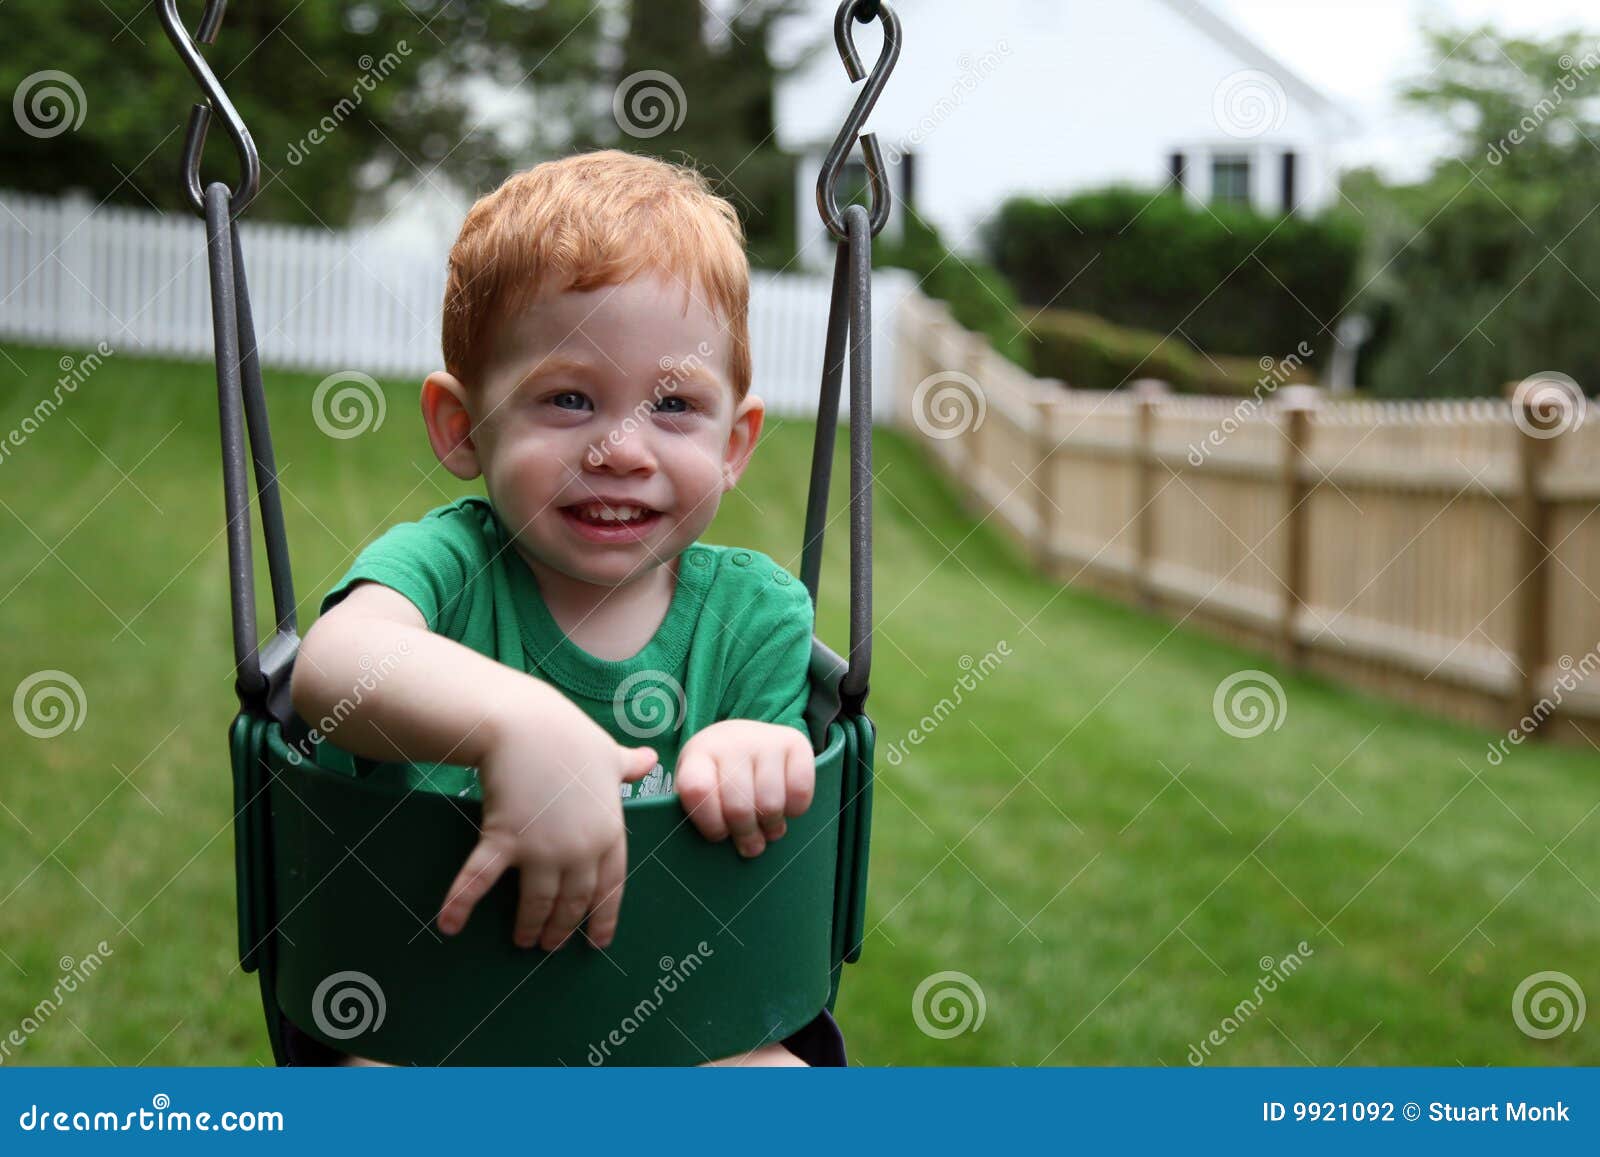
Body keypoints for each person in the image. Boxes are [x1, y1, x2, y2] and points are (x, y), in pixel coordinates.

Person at [287, 150, 844, 1068]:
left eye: (673, 404)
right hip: (434, 1015)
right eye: (569, 398)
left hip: (668, 1029)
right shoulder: (447, 564)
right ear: (462, 427)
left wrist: (757, 755)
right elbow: (335, 665)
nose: (622, 448)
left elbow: (768, 788)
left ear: (736, 439)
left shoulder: (756, 617)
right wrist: (520, 723)